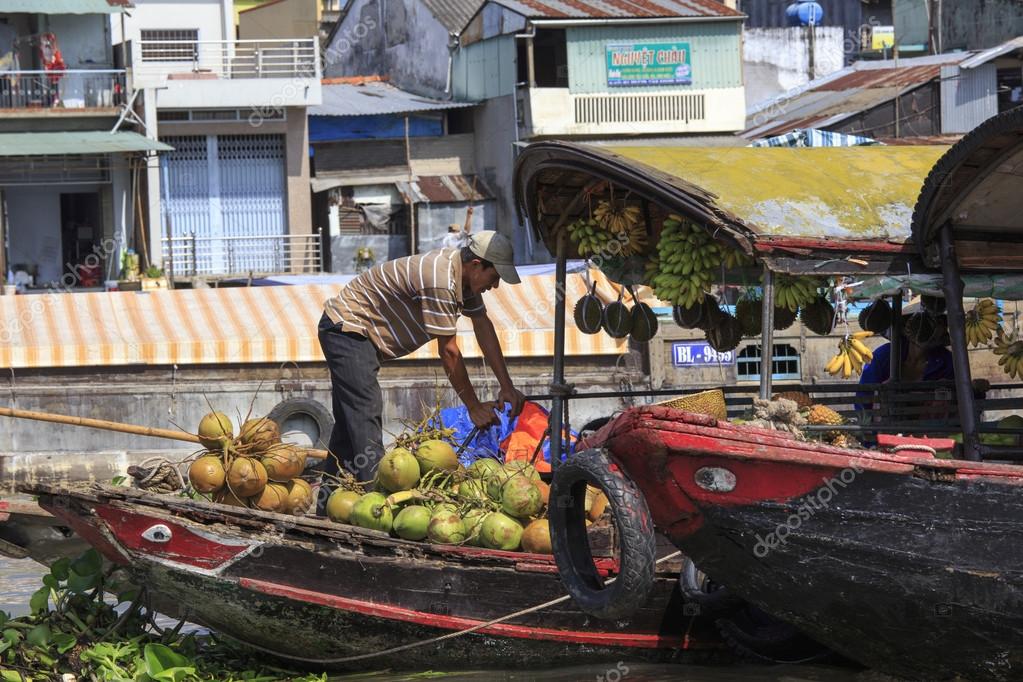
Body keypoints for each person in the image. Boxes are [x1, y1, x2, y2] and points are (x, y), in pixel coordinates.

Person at [318, 231, 526, 484]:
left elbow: (483, 326)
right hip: (348, 328)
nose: (495, 286)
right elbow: (449, 351)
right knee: (365, 411)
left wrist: (507, 387)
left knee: (349, 424)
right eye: (494, 277)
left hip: (358, 334)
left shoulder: (464, 280)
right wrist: (473, 407)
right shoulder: (440, 279)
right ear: (475, 265)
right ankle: (376, 496)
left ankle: (326, 504)